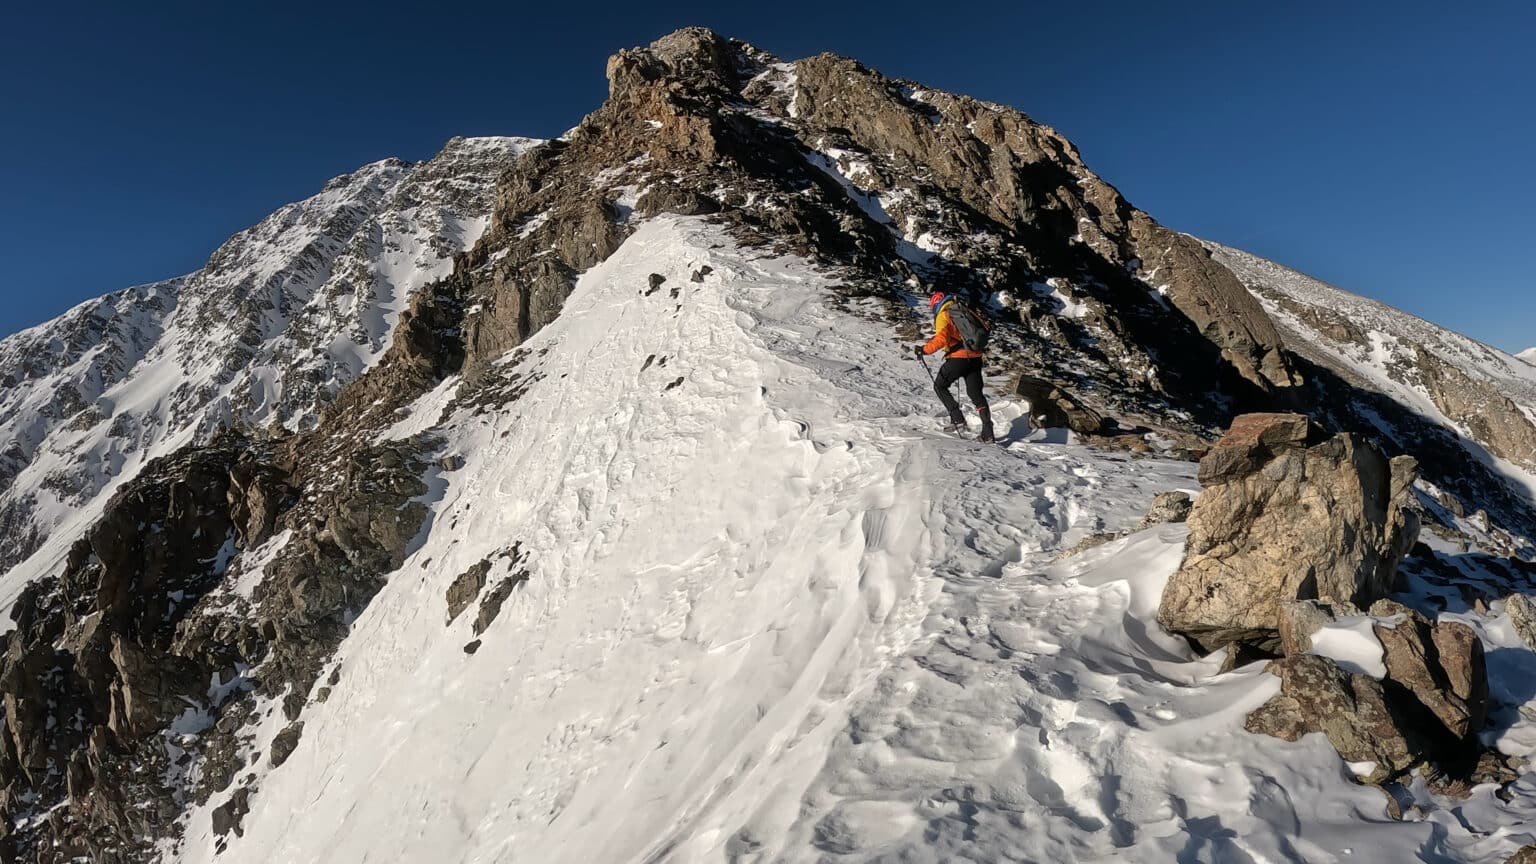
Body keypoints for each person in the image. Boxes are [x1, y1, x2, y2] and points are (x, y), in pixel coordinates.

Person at [915, 292, 994, 442]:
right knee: (976, 395)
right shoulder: (965, 311)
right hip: (975, 357)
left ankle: (957, 418)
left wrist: (924, 350)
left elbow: (942, 338)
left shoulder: (944, 315)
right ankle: (988, 432)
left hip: (958, 359)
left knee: (940, 386)